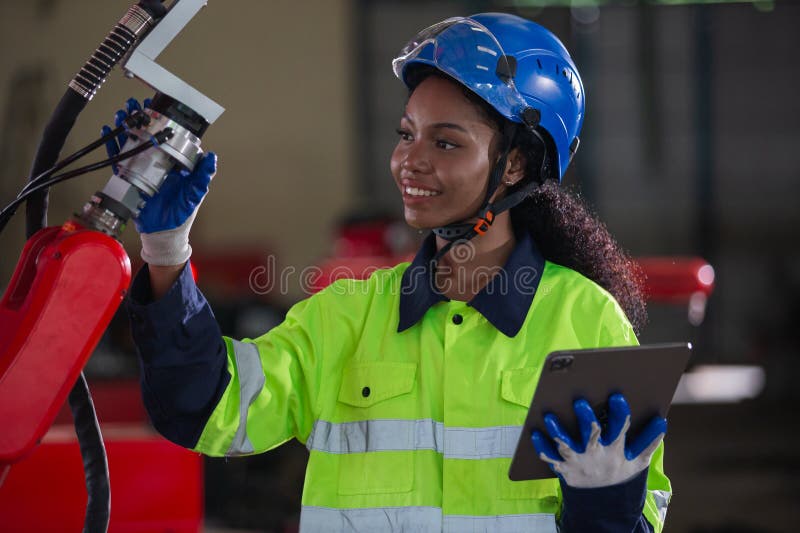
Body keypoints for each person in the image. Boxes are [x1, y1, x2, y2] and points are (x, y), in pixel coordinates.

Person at [117, 13, 671, 533]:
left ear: (518, 164)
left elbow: (643, 516)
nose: (411, 160)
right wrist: (166, 249)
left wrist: (607, 499)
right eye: (407, 134)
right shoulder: (346, 317)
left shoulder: (587, 319)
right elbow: (205, 406)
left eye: (446, 142)